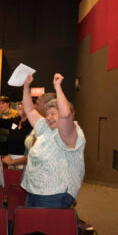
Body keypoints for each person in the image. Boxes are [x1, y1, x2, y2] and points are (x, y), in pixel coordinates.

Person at [20, 73, 86, 208]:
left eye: (53, 114)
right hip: (34, 191)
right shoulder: (45, 127)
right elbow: (30, 110)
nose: (49, 117)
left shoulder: (70, 132)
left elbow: (65, 115)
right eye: (47, 114)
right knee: (30, 227)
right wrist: (26, 86)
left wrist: (57, 87)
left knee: (48, 228)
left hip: (54, 195)